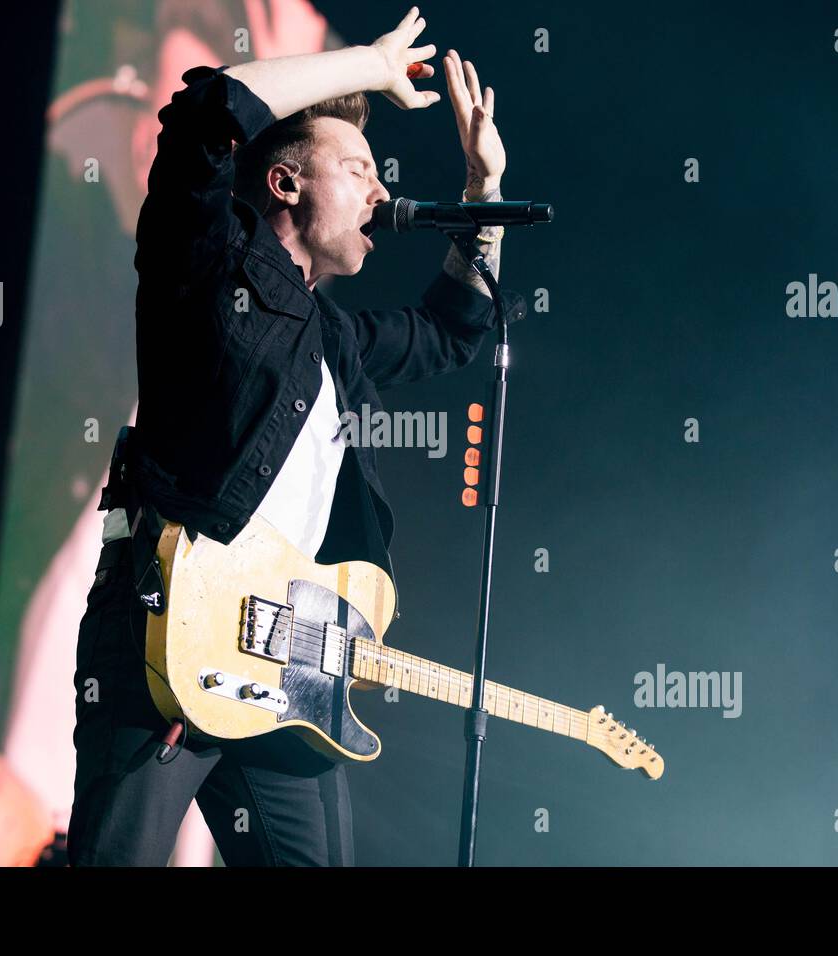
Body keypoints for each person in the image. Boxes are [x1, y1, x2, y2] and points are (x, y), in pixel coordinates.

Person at [67, 6, 527, 867]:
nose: (382, 191)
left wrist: (481, 195)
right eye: (356, 169)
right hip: (165, 635)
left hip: (289, 671)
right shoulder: (206, 260)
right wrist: (367, 64)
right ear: (284, 184)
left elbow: (455, 325)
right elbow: (205, 117)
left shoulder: (338, 341)